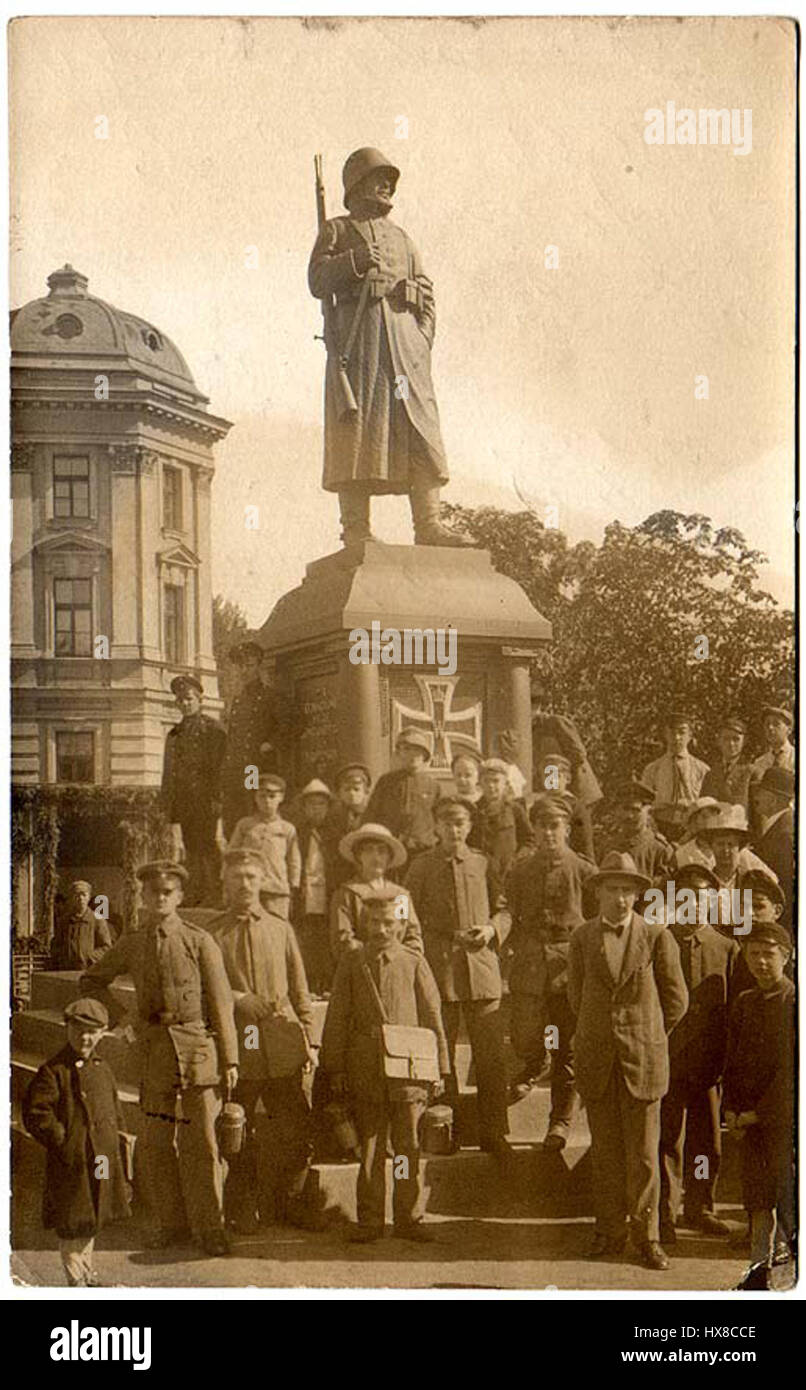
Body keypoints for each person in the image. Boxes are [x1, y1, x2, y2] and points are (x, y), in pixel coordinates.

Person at [308, 146, 470, 548]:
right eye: (379, 178)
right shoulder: (337, 230)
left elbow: (427, 293)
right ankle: (356, 529)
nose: (386, 185)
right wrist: (355, 261)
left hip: (405, 348)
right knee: (358, 429)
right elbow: (316, 281)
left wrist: (422, 337)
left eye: (389, 180)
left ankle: (429, 523)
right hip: (360, 343)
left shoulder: (404, 239)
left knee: (419, 427)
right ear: (357, 184)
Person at [81, 861, 238, 1256]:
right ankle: (173, 1224)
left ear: (180, 897)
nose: (160, 898)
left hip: (198, 1049)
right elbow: (92, 981)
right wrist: (123, 1021)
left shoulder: (199, 941)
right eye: (153, 892)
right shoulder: (133, 943)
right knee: (154, 1143)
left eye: (168, 892)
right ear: (144, 897)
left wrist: (231, 1058)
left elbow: (222, 1004)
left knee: (201, 1143)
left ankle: (210, 1228)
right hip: (153, 1053)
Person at [567, 852, 688, 1270]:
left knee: (643, 1155)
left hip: (643, 1060)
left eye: (628, 891)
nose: (620, 899)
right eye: (612, 889)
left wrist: (648, 1034)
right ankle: (608, 1231)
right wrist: (599, 1034)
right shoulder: (582, 938)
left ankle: (647, 1236)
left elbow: (676, 1000)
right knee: (605, 1152)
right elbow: (576, 996)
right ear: (598, 891)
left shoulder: (656, 936)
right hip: (599, 1058)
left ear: (638, 895)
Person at [320, 888, 450, 1242]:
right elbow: (337, 1017)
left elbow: (432, 1013)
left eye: (388, 922)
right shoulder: (353, 962)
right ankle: (371, 1221)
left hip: (408, 1070)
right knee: (371, 1149)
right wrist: (334, 1067)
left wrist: (440, 1066)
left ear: (400, 924)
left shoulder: (413, 961)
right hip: (366, 1068)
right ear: (364, 923)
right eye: (374, 922)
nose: (381, 930)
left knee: (407, 1146)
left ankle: (407, 1217)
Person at [213, 849, 318, 1233]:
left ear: (262, 882)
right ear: (225, 882)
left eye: (252, 878)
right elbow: (207, 989)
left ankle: (289, 1202)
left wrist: (309, 1039)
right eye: (237, 877)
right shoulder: (213, 934)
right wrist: (239, 997)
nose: (245, 885)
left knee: (297, 1128)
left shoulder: (280, 928)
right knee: (237, 1129)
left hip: (283, 1044)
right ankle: (242, 1207)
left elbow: (300, 988)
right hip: (243, 1043)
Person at [406, 798, 510, 1157]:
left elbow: (505, 908)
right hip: (440, 970)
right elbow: (408, 914)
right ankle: (443, 1131)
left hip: (482, 972)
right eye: (447, 822)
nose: (454, 829)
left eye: (461, 823)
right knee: (441, 1055)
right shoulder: (421, 867)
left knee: (492, 1059)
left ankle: (494, 1134)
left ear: (469, 826)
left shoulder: (483, 863)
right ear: (436, 826)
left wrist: (492, 929)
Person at [22, 997, 130, 1286]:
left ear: (102, 1033)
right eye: (78, 1030)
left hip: (102, 1158)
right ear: (67, 1029)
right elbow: (37, 1114)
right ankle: (77, 1281)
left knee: (94, 1215)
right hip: (72, 1162)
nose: (85, 1038)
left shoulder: (102, 1068)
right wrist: (63, 1140)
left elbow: (113, 1107)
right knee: (72, 1223)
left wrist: (116, 1138)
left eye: (92, 1032)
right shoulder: (54, 1071)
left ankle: (86, 1273)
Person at [506, 793, 596, 1139]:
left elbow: (595, 923)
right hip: (530, 968)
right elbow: (510, 912)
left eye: (554, 826)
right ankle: (533, 1061)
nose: (548, 833)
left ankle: (560, 1120)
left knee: (566, 1048)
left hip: (568, 970)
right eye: (542, 826)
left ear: (567, 830)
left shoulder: (585, 872)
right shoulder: (521, 871)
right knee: (527, 1035)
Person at [659, 863, 738, 1244]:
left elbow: (732, 1010)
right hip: (667, 1063)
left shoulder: (726, 947)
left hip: (707, 1067)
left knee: (706, 1143)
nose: (696, 903)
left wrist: (724, 1063)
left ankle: (700, 1205)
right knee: (667, 1139)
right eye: (687, 895)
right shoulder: (660, 940)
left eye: (705, 896)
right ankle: (665, 1210)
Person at [723, 921, 795, 1289]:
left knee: (786, 1193)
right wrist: (731, 1109)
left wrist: (758, 1114)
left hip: (784, 1123)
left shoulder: (794, 1002)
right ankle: (757, 1266)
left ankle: (787, 1272)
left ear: (787, 956)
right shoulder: (744, 1002)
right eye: (754, 955)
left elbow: (791, 1073)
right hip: (747, 1122)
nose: (762, 962)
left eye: (769, 954)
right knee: (757, 1194)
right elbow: (732, 1061)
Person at [161, 674, 227, 907]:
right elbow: (168, 776)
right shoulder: (174, 735)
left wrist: (219, 804)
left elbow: (222, 769)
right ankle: (194, 894)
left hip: (208, 803)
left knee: (209, 849)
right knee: (190, 851)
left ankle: (214, 895)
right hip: (184, 805)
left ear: (200, 699)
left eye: (189, 698)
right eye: (180, 700)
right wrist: (168, 813)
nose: (185, 703)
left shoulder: (214, 730)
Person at [329, 823, 423, 957]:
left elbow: (411, 935)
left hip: (397, 966)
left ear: (389, 858)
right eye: (369, 850)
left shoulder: (400, 896)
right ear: (359, 856)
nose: (376, 857)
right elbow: (342, 940)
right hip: (359, 967)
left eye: (382, 851)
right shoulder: (347, 894)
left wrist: (401, 959)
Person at [221, 641, 281, 836]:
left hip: (254, 767)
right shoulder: (237, 701)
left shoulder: (269, 697)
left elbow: (290, 725)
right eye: (241, 666)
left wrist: (270, 743)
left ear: (258, 667)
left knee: (251, 813)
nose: (244, 671)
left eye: (249, 665)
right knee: (233, 819)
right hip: (236, 768)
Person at [228, 771, 301, 920]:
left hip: (277, 890)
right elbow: (231, 855)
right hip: (249, 888)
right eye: (262, 796)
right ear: (255, 798)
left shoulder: (287, 828)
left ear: (281, 798)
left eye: (272, 796)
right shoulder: (245, 825)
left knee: (277, 930)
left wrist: (293, 886)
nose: (267, 801)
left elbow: (294, 860)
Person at [365, 728, 440, 858]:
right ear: (399, 753)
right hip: (390, 847)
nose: (412, 755)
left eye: (417, 750)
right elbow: (372, 814)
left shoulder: (433, 785)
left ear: (424, 755)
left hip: (422, 850)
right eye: (406, 750)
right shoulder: (386, 782)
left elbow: (438, 820)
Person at [294, 778, 337, 996]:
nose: (316, 809)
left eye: (321, 804)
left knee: (326, 938)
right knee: (307, 938)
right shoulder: (298, 833)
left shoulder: (334, 833)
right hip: (306, 892)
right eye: (311, 804)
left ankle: (327, 983)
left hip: (327, 891)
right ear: (304, 808)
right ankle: (309, 984)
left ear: (328, 807)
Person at [641, 711, 710, 842]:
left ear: (690, 736)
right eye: (672, 732)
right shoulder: (652, 769)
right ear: (665, 735)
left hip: (693, 831)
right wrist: (655, 833)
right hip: (660, 829)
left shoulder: (703, 770)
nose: (676, 737)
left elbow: (707, 807)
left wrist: (692, 832)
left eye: (682, 732)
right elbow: (645, 807)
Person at [476, 757, 533, 894]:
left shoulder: (515, 809)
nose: (491, 786)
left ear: (505, 784)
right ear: (480, 783)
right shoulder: (474, 811)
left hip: (509, 873)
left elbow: (530, 839)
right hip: (482, 875)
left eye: (496, 781)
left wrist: (517, 861)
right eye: (486, 781)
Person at [601, 776, 673, 882]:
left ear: (648, 813)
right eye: (625, 809)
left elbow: (669, 892)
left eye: (636, 810)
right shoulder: (608, 846)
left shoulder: (660, 850)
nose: (629, 815)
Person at [534, 751, 595, 862]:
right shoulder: (536, 807)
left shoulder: (577, 808)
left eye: (556, 775)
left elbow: (585, 846)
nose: (551, 780)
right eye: (547, 776)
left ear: (568, 779)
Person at [752, 767, 795, 924]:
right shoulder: (780, 826)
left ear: (772, 799)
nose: (755, 797)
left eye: (760, 793)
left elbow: (788, 887)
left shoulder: (785, 834)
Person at [50, 879, 112, 971]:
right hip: (66, 971)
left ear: (89, 897)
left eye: (84, 895)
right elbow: (56, 944)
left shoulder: (97, 920)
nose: (80, 898)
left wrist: (89, 957)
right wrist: (62, 958)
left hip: (89, 970)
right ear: (72, 898)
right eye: (77, 895)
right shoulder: (64, 920)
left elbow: (106, 947)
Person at [701, 716, 753, 811]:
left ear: (744, 741)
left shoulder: (751, 772)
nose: (731, 744)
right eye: (726, 739)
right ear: (719, 741)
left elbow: (759, 812)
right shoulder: (711, 774)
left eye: (736, 739)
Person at [450, 746, 484, 846]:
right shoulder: (450, 802)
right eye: (458, 775)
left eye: (468, 775)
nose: (462, 779)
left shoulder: (485, 801)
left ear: (478, 777)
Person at [750, 706, 795, 781]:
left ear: (789, 730)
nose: (770, 728)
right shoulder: (760, 762)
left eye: (776, 724)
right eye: (767, 724)